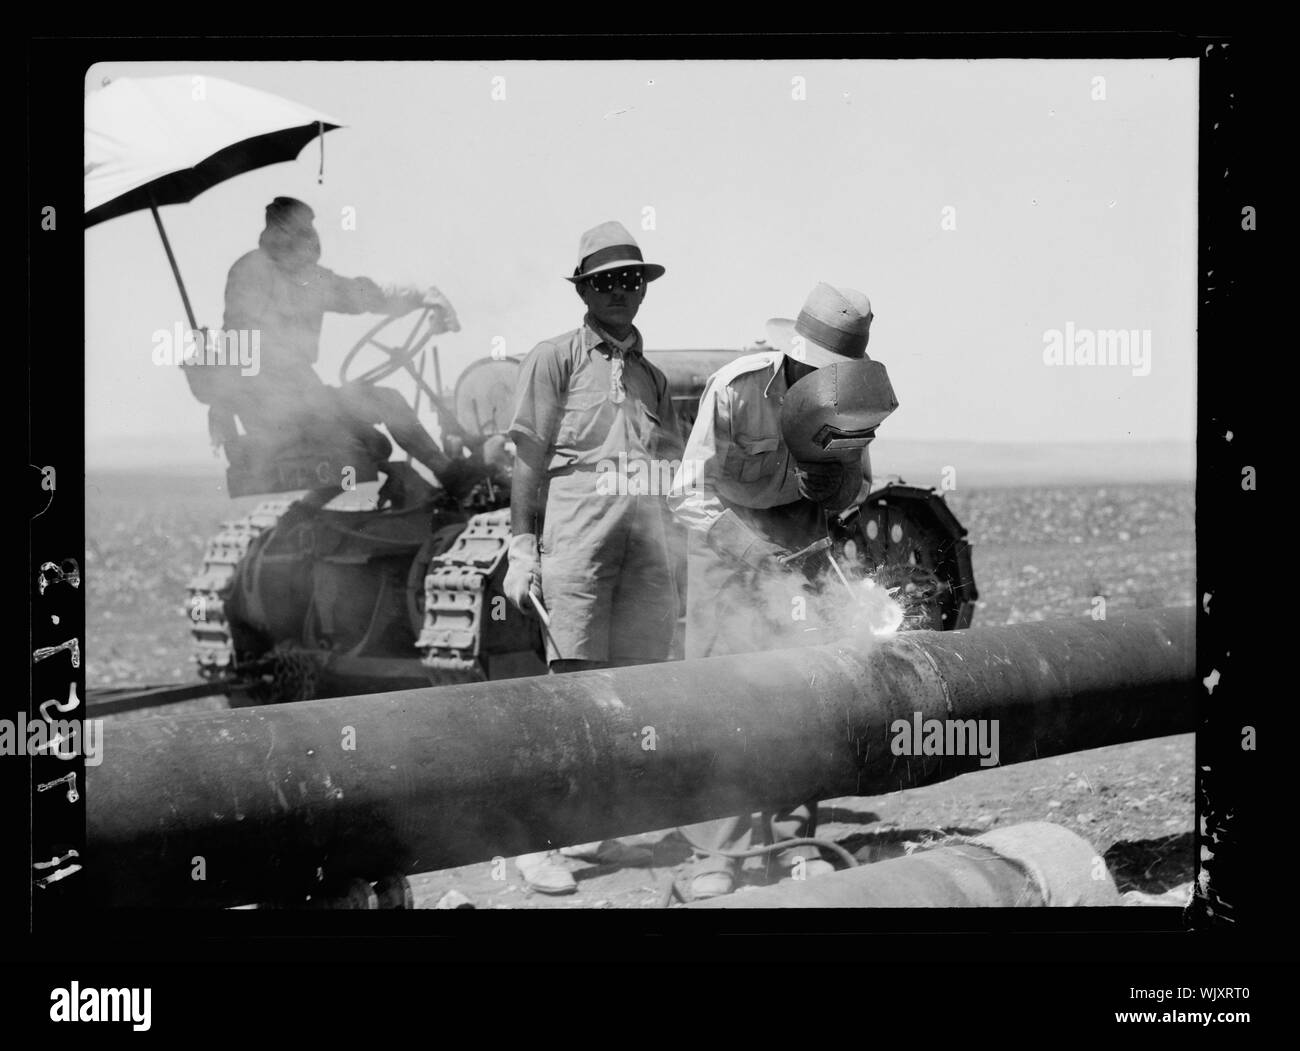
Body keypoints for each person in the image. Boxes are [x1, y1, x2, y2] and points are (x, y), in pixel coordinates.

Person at [666, 282, 896, 899]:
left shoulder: (852, 401)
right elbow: (686, 491)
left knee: (804, 689)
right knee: (723, 692)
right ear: (791, 353)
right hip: (725, 537)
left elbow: (858, 488)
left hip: (803, 537)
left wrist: (834, 493)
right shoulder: (736, 387)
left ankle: (795, 841)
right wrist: (744, 547)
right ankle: (720, 853)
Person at [501, 220, 682, 893]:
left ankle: (603, 827)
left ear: (643, 288)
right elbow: (529, 458)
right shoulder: (555, 358)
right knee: (571, 691)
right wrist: (523, 545)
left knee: (631, 692)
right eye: (605, 281)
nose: (620, 291)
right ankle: (537, 840)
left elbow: (662, 470)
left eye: (630, 279)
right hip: (577, 539)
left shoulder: (653, 378)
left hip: (642, 542)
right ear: (583, 288)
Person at [217, 196, 475, 494]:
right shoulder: (263, 274)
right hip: (283, 407)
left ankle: (418, 485)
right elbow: (243, 339)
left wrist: (419, 295)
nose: (312, 239)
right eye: (305, 229)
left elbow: (361, 294)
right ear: (285, 231)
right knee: (387, 404)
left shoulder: (287, 274)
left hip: (285, 404)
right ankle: (453, 478)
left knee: (373, 442)